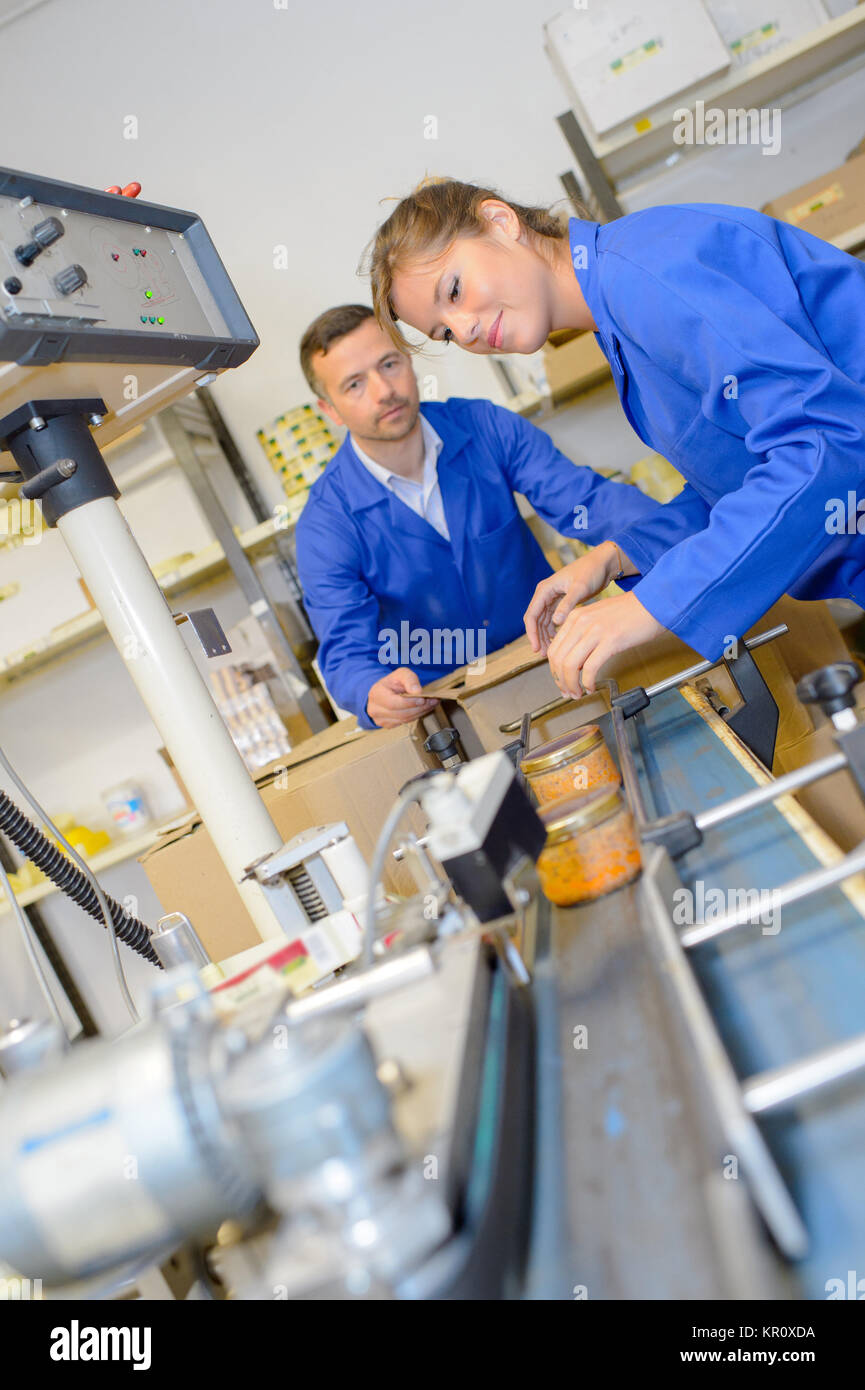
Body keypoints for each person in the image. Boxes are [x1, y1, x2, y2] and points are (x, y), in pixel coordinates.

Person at [367, 179, 865, 698]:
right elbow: (743, 476)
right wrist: (621, 555)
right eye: (444, 332)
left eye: (453, 290)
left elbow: (829, 445)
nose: (464, 330)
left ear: (500, 221)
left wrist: (653, 603)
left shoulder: (647, 276)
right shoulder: (619, 313)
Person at [293, 304, 663, 727]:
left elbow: (589, 504)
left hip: (551, 665)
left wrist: (676, 541)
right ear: (331, 411)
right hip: (447, 709)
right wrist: (369, 691)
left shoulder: (486, 427)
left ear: (408, 359)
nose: (383, 391)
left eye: (389, 364)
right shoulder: (326, 523)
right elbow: (345, 651)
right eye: (355, 384)